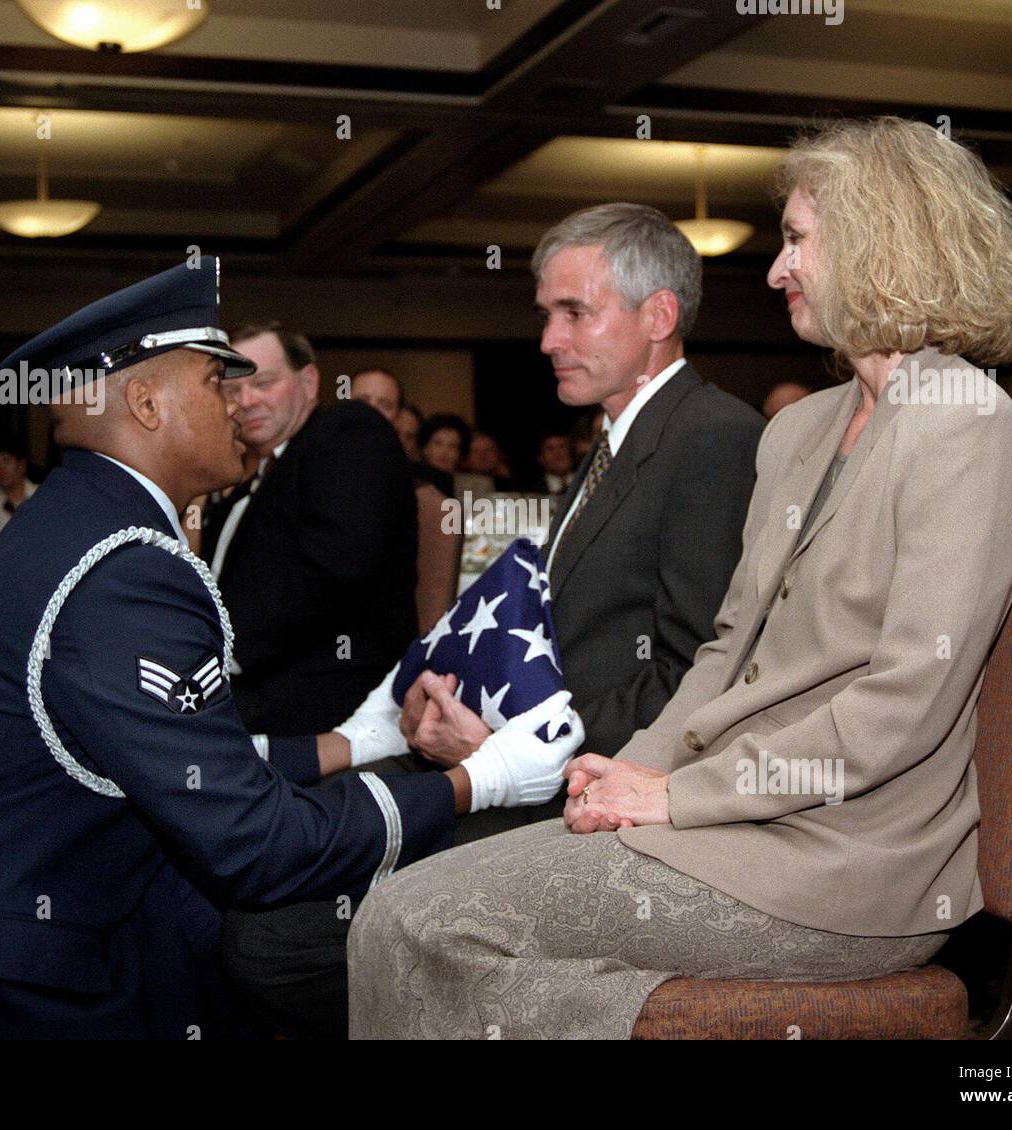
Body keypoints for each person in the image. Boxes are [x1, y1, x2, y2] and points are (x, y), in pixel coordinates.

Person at [347, 116, 1012, 1039]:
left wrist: (678, 796)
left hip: (848, 865)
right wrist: (633, 769)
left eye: (798, 240)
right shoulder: (802, 429)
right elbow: (728, 651)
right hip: (732, 822)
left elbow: (906, 703)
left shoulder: (967, 422)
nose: (774, 271)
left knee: (410, 921)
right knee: (416, 916)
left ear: (884, 238)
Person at [0, 258, 573, 1040]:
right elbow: (253, 842)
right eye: (213, 379)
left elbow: (178, 761)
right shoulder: (124, 569)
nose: (237, 402)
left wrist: (356, 740)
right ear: (146, 402)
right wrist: (477, 781)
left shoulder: (85, 521)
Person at [223, 202, 762, 1038]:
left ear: (658, 316)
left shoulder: (712, 438)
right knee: (273, 861)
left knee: (272, 944)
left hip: (581, 801)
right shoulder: (620, 436)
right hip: (517, 764)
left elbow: (692, 686)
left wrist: (510, 755)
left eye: (572, 312)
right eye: (546, 313)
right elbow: (550, 633)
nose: (547, 338)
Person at [207, 324, 418, 736]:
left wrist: (223, 653)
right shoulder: (256, 478)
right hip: (261, 680)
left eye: (263, 383)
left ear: (308, 380)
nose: (246, 401)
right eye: (233, 390)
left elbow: (337, 566)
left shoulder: (348, 432)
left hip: (327, 690)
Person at [350, 368, 463, 633]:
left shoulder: (425, 490)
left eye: (384, 405)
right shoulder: (314, 470)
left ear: (398, 418)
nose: (372, 413)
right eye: (362, 402)